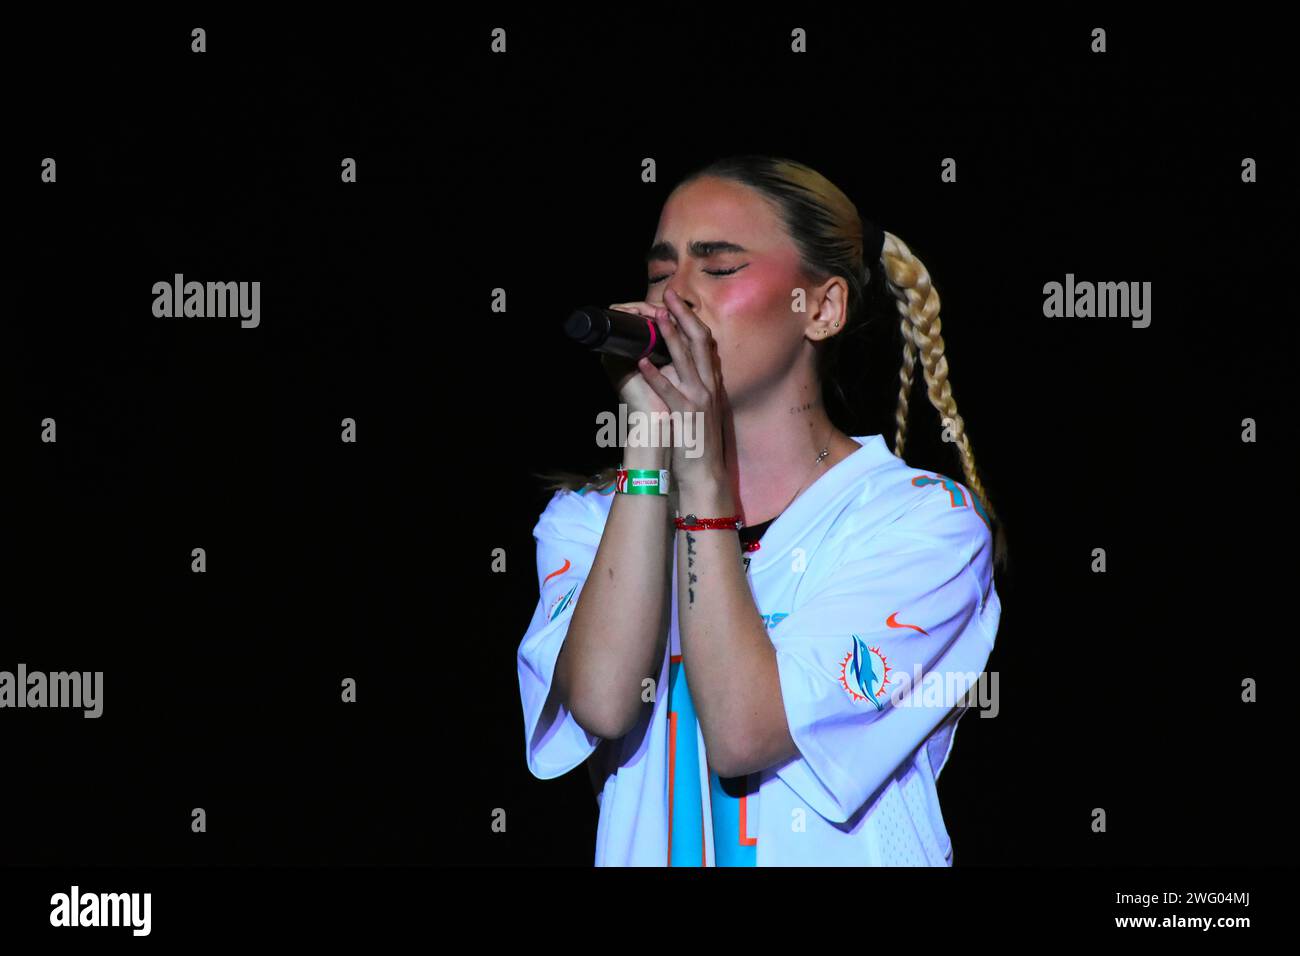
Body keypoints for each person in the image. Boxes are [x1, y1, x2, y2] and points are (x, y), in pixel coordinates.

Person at [518, 154, 1008, 865]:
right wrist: (652, 450)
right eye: (660, 273)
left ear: (823, 309)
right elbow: (602, 701)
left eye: (718, 269)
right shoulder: (591, 520)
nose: (675, 296)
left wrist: (706, 487)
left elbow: (746, 732)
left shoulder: (921, 524)